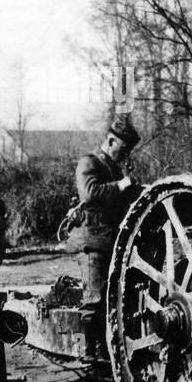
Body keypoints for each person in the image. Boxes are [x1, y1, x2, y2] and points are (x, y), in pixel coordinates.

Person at [73, 115, 142, 311]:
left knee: (112, 303)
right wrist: (121, 185)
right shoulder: (89, 163)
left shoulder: (113, 170)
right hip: (93, 245)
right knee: (94, 304)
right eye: (124, 149)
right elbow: (89, 193)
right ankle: (89, 343)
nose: (126, 155)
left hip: (111, 243)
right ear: (111, 141)